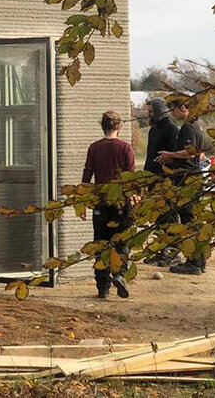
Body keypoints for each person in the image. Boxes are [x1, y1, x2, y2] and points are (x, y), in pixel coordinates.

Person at [83, 111, 135, 299]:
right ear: (119, 126)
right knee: (121, 241)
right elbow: (130, 177)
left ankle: (102, 287)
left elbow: (87, 175)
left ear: (102, 126)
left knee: (101, 244)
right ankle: (119, 274)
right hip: (121, 203)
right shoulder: (125, 148)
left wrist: (84, 201)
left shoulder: (94, 148)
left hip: (101, 203)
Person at [156, 98, 210, 275]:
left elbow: (190, 151)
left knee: (189, 220)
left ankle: (193, 262)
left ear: (183, 108)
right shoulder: (198, 124)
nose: (172, 114)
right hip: (193, 177)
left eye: (173, 110)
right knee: (194, 220)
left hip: (187, 180)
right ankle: (199, 261)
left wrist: (169, 155)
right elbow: (200, 153)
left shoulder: (188, 127)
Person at [142, 97, 181, 267]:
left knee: (169, 218)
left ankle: (172, 253)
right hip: (153, 179)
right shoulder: (153, 130)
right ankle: (161, 251)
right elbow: (150, 156)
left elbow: (174, 158)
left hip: (166, 181)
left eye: (150, 111)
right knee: (158, 218)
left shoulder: (172, 129)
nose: (148, 114)